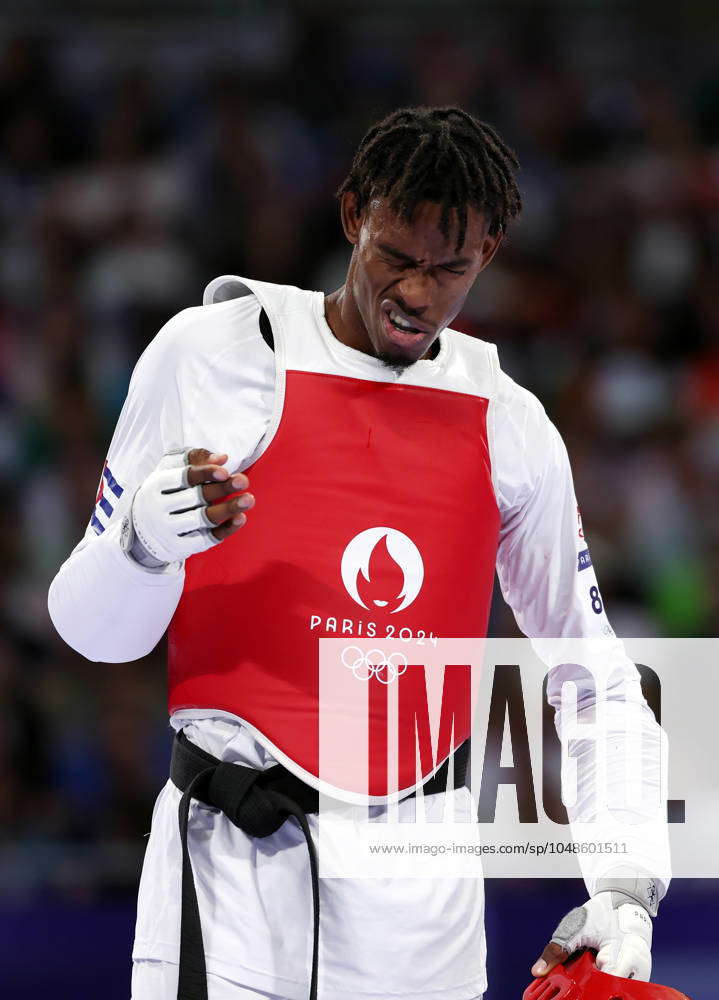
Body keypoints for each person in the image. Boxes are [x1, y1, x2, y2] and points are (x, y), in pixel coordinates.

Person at [48, 106, 668, 1000]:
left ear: (487, 253)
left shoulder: (508, 422)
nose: (416, 293)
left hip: (422, 901)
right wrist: (140, 545)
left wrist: (625, 882)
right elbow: (94, 634)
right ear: (352, 217)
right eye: (396, 257)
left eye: (448, 268)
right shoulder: (210, 354)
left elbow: (593, 673)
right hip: (228, 876)